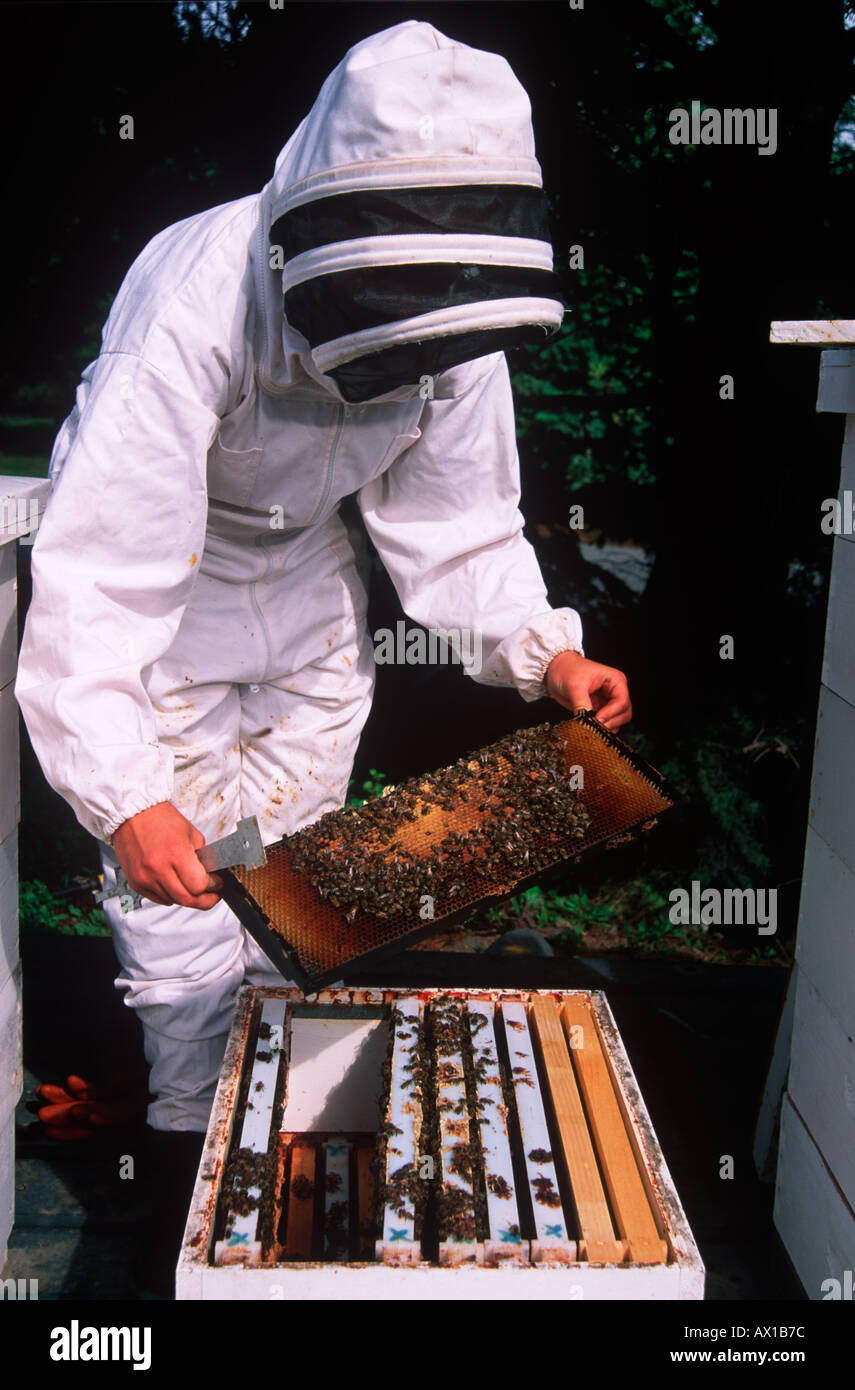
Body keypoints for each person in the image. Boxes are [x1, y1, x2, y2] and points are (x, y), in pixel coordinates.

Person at [15, 19, 631, 1288]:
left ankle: (286, 1149)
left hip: (307, 595)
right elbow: (103, 563)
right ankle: (201, 1171)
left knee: (297, 890)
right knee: (177, 902)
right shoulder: (190, 295)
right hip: (167, 598)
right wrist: (123, 789)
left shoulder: (449, 309)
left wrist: (540, 651)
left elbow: (459, 519)